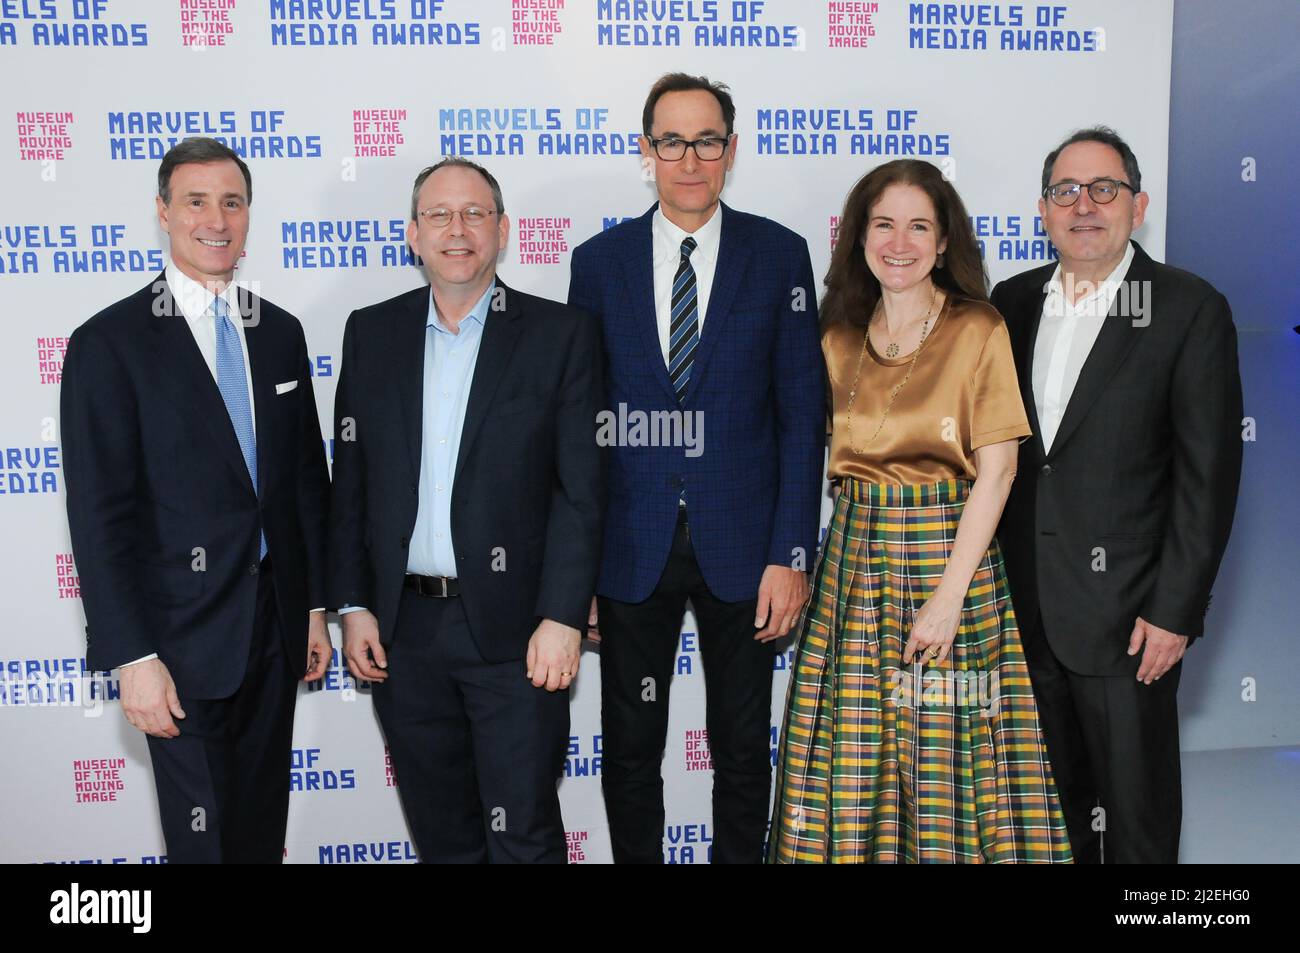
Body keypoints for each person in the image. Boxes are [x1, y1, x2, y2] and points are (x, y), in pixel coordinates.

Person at [768, 158, 1073, 864]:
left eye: (918, 226)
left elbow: (998, 472)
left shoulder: (977, 328)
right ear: (858, 237)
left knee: (948, 771)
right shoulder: (835, 334)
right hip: (850, 569)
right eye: (883, 224)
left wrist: (946, 599)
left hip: (949, 565)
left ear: (943, 243)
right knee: (849, 766)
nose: (898, 242)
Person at [568, 73, 825, 864]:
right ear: (645, 151)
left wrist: (791, 552)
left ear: (731, 150)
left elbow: (802, 417)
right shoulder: (597, 262)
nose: (689, 158)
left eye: (706, 140)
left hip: (746, 546)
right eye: (671, 140)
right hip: (628, 546)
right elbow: (583, 425)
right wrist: (576, 569)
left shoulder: (780, 254)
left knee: (745, 747)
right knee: (632, 749)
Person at [61, 137, 332, 863]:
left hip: (274, 633)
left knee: (256, 834)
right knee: (203, 843)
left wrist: (311, 608)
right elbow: (99, 515)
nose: (217, 218)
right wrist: (132, 655)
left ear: (249, 214)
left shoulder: (278, 332)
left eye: (233, 201)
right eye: (196, 201)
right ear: (163, 212)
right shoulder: (109, 343)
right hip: (176, 647)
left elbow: (304, 479)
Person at [329, 158, 604, 863]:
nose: (459, 230)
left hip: (517, 635)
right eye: (440, 215)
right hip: (403, 633)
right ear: (413, 234)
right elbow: (351, 480)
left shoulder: (559, 335)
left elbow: (582, 489)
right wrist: (354, 603)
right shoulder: (371, 333)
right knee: (443, 838)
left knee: (524, 837)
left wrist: (564, 614)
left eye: (475, 214)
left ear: (503, 230)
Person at [991, 127, 1243, 863]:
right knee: (1047, 829)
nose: (1085, 205)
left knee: (1136, 829)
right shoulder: (1012, 302)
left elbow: (1209, 478)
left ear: (1139, 203)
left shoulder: (1186, 307)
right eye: (1066, 191)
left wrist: (1174, 611)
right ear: (1043, 209)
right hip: (1026, 616)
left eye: (1105, 188)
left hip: (1130, 625)